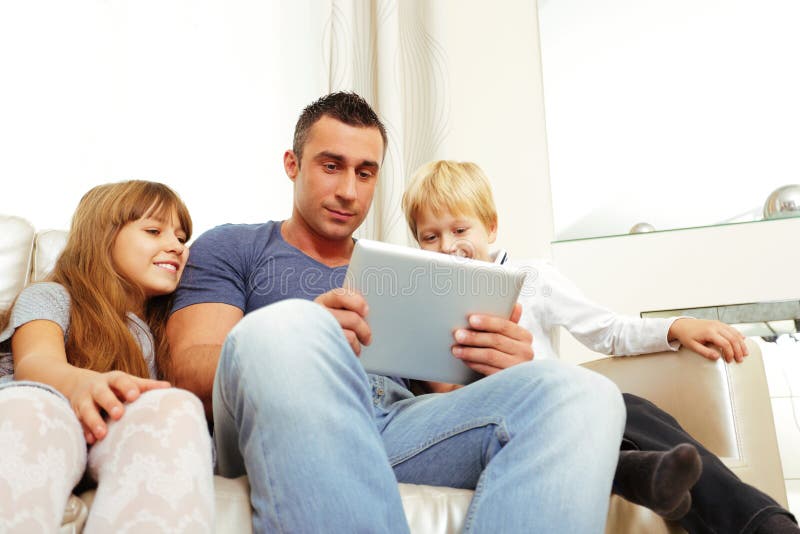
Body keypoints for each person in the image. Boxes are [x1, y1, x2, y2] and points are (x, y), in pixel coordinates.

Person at [166, 91, 627, 533]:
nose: (348, 191)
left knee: (583, 393)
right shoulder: (233, 246)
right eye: (331, 167)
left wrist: (501, 368)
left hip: (397, 426)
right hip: (280, 419)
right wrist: (311, 334)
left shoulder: (414, 269)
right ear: (292, 164)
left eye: (365, 173)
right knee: (289, 327)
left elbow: (448, 392)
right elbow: (188, 370)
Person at [402, 159, 800, 534]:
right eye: (430, 236)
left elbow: (606, 329)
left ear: (490, 228)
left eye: (459, 230)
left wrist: (677, 327)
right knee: (598, 431)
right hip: (491, 428)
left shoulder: (532, 277)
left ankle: (761, 523)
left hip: (562, 410)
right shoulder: (421, 302)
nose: (447, 246)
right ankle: (644, 475)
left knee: (624, 406)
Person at [0, 181, 215, 534]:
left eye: (181, 237)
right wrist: (84, 382)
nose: (176, 247)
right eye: (154, 230)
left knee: (174, 408)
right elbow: (35, 364)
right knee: (29, 405)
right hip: (47, 409)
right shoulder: (53, 296)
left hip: (117, 432)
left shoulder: (169, 328)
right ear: (104, 236)